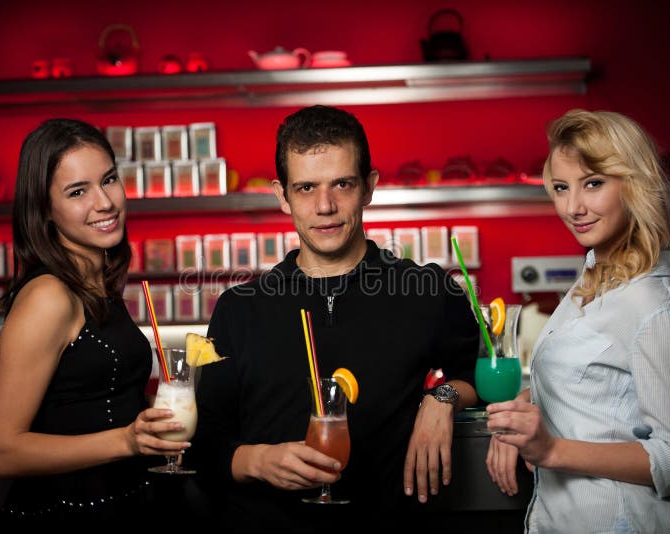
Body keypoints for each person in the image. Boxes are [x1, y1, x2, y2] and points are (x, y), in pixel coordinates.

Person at [190, 105, 479, 530]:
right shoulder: (239, 308)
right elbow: (204, 447)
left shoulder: (428, 290)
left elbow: (479, 379)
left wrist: (443, 399)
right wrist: (258, 460)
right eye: (306, 187)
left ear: (369, 187)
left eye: (342, 184)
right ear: (282, 196)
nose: (325, 206)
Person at [485, 109, 670, 533]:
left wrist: (550, 450)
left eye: (593, 183)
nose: (573, 207)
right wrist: (526, 408)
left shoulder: (653, 306)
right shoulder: (594, 278)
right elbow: (599, 386)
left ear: (634, 183)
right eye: (560, 188)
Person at [0, 118, 190, 519]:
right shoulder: (48, 296)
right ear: (45, 210)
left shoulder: (99, 285)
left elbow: (92, 401)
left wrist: (157, 415)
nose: (105, 202)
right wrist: (127, 441)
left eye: (108, 180)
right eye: (78, 191)